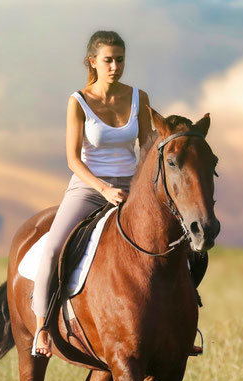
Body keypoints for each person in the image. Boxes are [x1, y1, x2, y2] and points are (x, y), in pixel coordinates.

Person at [31, 30, 153, 357]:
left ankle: (180, 323)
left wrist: (142, 187)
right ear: (93, 62)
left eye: (120, 60)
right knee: (55, 247)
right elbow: (73, 158)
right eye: (108, 60)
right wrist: (104, 189)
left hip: (131, 186)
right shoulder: (79, 101)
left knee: (179, 241)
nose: (115, 66)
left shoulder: (139, 97)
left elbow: (148, 147)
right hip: (89, 187)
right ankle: (42, 327)